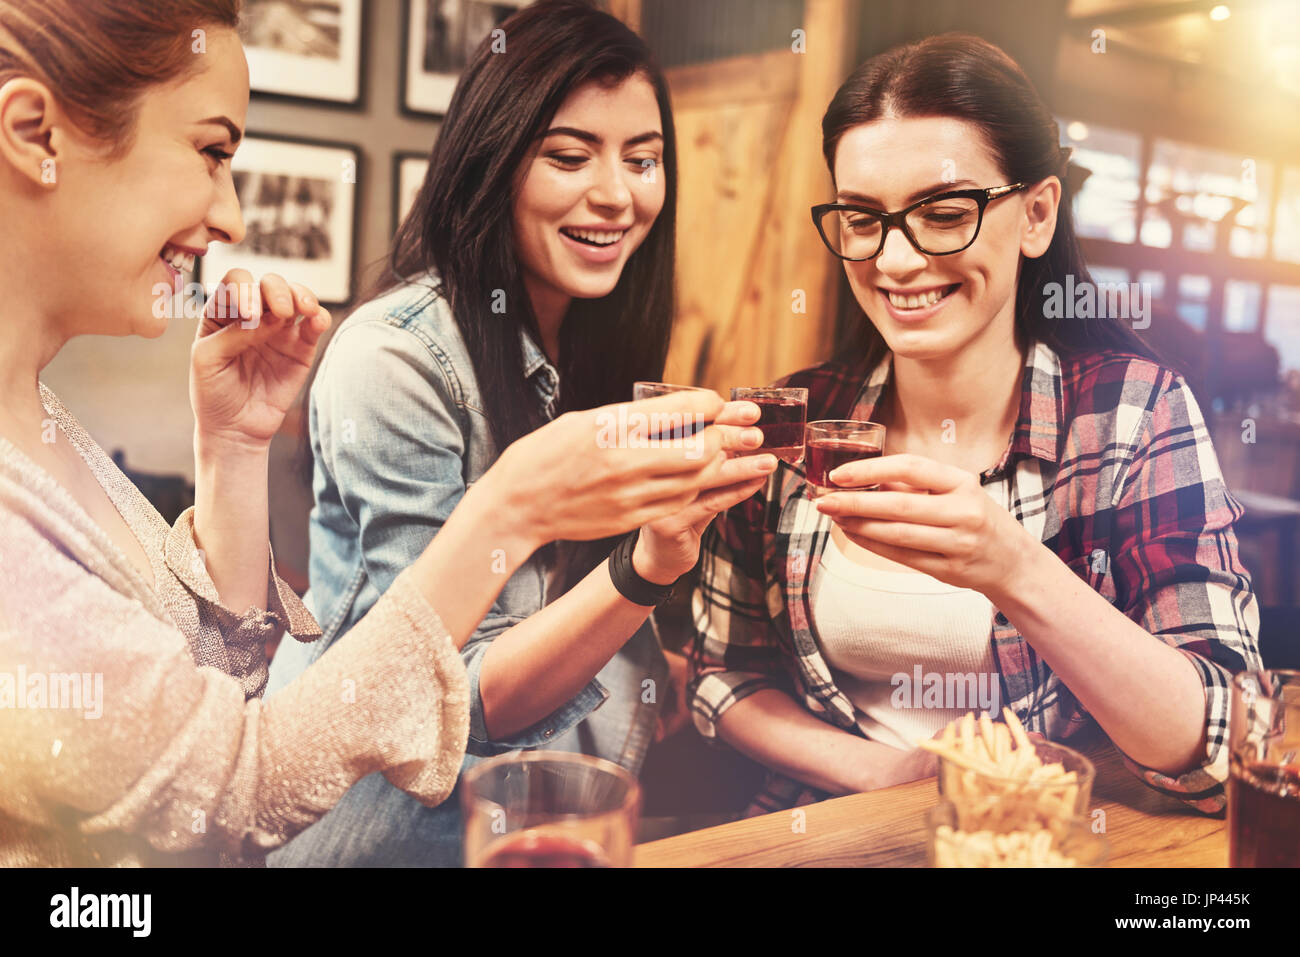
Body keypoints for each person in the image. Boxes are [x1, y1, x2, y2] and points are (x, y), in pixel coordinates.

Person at [0, 0, 738, 866]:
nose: (233, 218)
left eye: (643, 159)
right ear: (34, 133)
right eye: (212, 153)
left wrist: (233, 452)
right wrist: (512, 512)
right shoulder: (402, 350)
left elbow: (213, 699)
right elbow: (231, 795)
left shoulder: (42, 421)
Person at [689, 33, 1261, 817]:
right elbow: (723, 674)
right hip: (815, 832)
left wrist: (1011, 565)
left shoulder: (1133, 413)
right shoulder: (800, 416)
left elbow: (1220, 749)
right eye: (862, 219)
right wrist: (890, 777)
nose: (895, 260)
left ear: (1036, 214)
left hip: (1041, 837)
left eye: (944, 212)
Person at [265, 0, 776, 866]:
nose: (616, 194)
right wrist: (646, 570)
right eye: (569, 156)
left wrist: (661, 657)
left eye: (643, 160)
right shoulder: (395, 358)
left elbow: (561, 602)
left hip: (558, 819)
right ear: (492, 160)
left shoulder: (591, 344)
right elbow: (447, 694)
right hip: (387, 839)